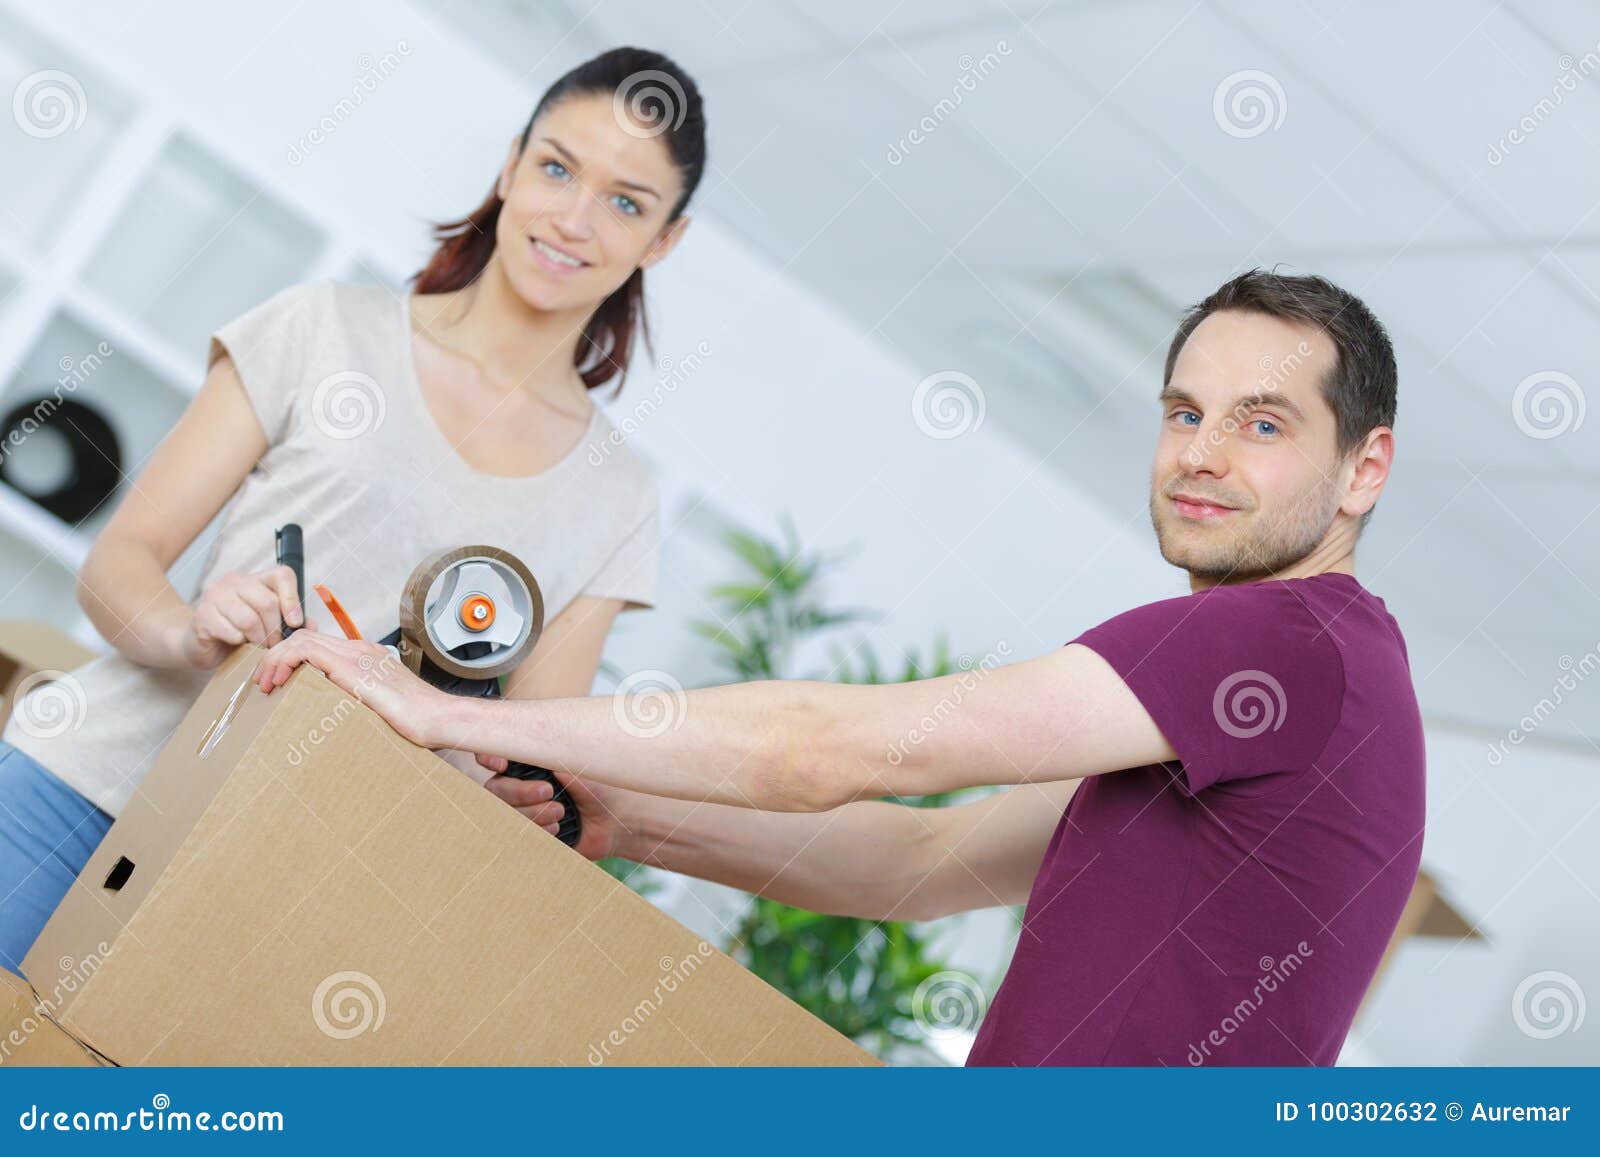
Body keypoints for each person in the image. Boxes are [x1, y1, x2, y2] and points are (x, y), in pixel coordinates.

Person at [259, 269, 1424, 1067]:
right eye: (1184, 412)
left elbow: (828, 751)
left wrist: (434, 707)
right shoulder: (1306, 682)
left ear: (1362, 468)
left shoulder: (1280, 641)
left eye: (1261, 424)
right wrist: (625, 816)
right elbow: (919, 861)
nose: (1201, 455)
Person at [0, 46, 707, 975]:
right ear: (510, 166)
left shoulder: (615, 495)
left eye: (626, 203)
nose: (575, 218)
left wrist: (516, 798)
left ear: (663, 241)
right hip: (82, 792)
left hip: (269, 897)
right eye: (557, 168)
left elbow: (527, 750)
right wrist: (190, 632)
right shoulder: (324, 326)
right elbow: (118, 563)